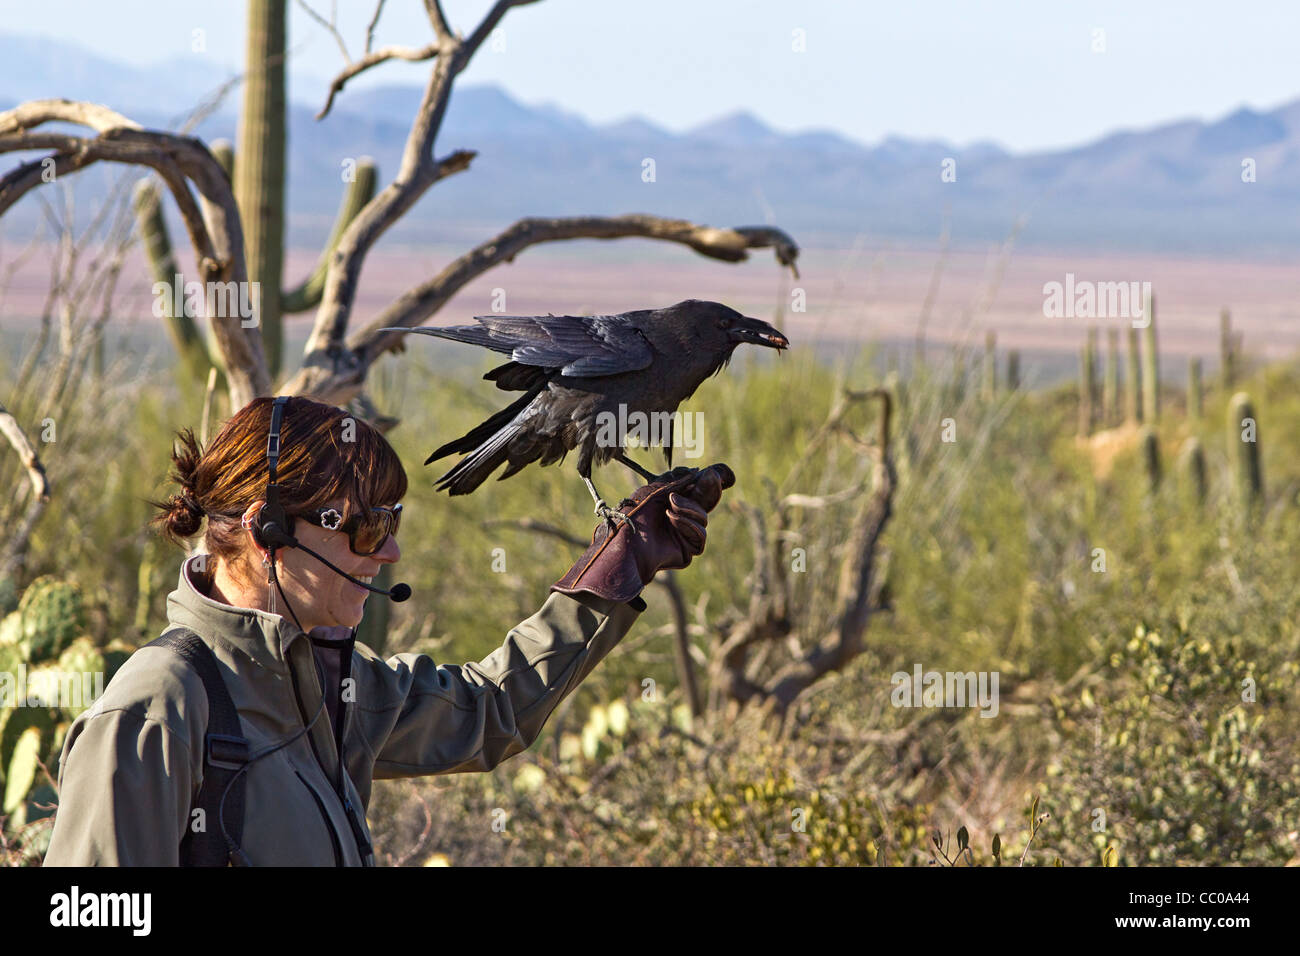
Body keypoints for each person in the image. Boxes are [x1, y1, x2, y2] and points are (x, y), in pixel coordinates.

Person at [43, 395, 730, 866]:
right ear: (267, 531)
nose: (389, 553)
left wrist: (620, 565)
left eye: (391, 525)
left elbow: (490, 711)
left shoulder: (332, 684)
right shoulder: (158, 706)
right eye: (367, 527)